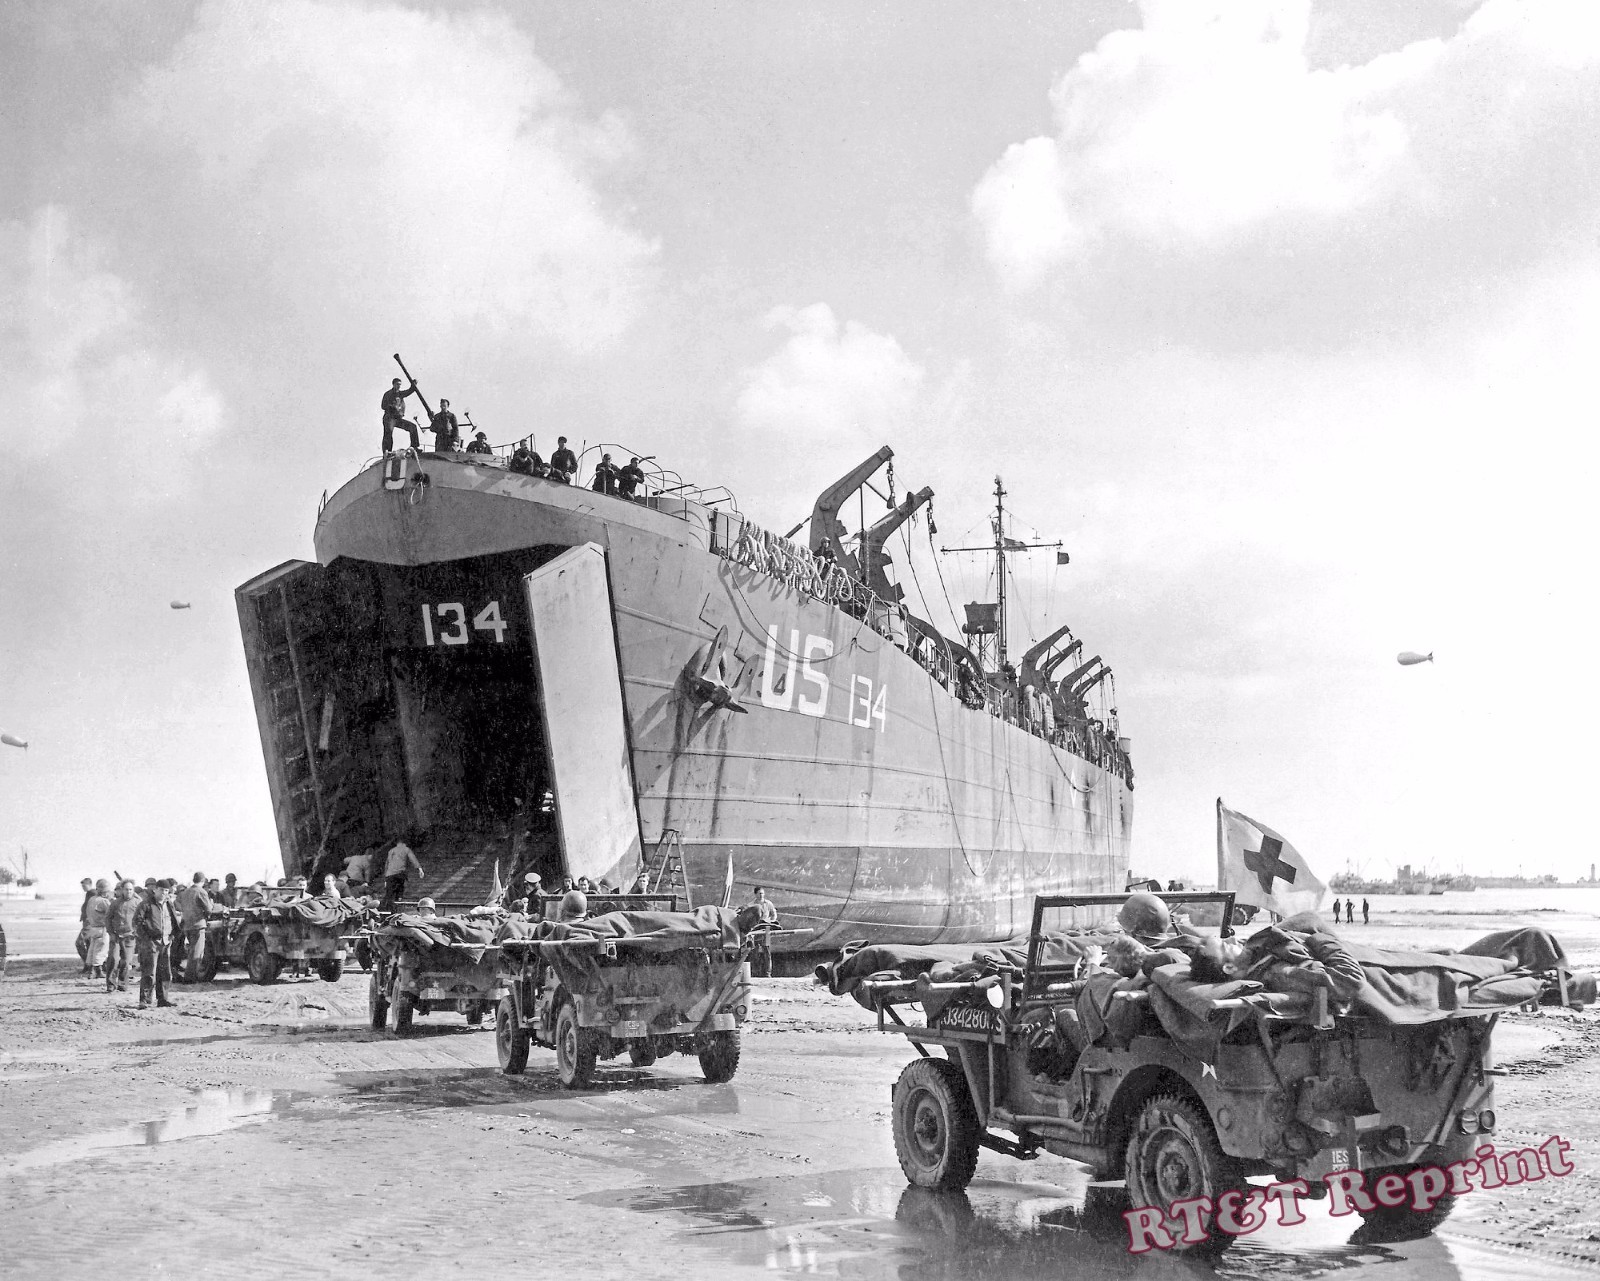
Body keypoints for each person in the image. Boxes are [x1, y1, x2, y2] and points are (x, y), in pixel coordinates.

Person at [1188, 918, 1364, 1008]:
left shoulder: (1259, 954)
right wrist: (1318, 939)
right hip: (1377, 977)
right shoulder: (1278, 973)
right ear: (1229, 967)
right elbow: (1350, 979)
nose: (1233, 938)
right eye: (1227, 945)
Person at [134, 881, 179, 1009]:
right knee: (149, 972)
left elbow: (173, 921)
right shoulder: (146, 904)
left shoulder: (169, 904)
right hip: (151, 944)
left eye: (166, 890)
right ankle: (145, 1001)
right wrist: (146, 939)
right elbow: (137, 922)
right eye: (162, 890)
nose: (164, 893)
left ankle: (163, 999)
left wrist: (172, 936)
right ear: (155, 890)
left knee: (165, 972)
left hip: (165, 943)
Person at [173, 873, 212, 984]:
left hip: (187, 925)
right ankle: (190, 978)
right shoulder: (201, 892)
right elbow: (209, 909)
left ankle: (189, 976)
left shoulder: (186, 892)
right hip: (198, 924)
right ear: (203, 881)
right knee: (197, 952)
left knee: (192, 951)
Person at [105, 881, 138, 993]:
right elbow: (108, 918)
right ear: (122, 890)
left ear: (133, 891)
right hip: (116, 936)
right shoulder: (115, 903)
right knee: (113, 959)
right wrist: (111, 933)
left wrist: (137, 932)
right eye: (126, 889)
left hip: (130, 937)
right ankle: (111, 984)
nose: (128, 892)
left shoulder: (137, 903)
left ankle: (122, 983)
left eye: (130, 889)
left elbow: (142, 919)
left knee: (126, 961)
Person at [382, 837, 424, 909]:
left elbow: (387, 864)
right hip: (400, 873)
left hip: (389, 875)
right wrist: (419, 868)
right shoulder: (406, 849)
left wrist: (385, 879)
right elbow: (412, 858)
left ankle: (387, 909)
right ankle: (398, 901)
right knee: (399, 890)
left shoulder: (391, 850)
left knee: (389, 893)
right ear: (405, 843)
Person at [82, 880, 112, 981]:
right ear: (105, 891)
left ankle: (91, 970)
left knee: (92, 949)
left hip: (92, 927)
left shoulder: (92, 899)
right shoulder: (104, 901)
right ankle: (97, 971)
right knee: (101, 950)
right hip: (102, 928)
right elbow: (110, 915)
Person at [381, 377, 420, 454]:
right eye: (397, 384)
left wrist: (413, 384)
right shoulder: (388, 394)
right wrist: (392, 407)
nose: (398, 386)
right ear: (393, 384)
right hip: (389, 418)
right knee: (388, 434)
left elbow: (409, 391)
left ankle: (414, 447)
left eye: (400, 385)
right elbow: (383, 406)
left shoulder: (400, 394)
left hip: (397, 418)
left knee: (412, 427)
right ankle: (387, 452)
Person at [748, 887, 779, 978]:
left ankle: (767, 973)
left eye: (762, 893)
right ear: (755, 894)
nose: (761, 895)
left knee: (767, 951)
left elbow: (774, 913)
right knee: (755, 952)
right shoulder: (752, 905)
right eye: (759, 893)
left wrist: (772, 921)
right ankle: (755, 973)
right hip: (756, 928)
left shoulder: (768, 903)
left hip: (766, 929)